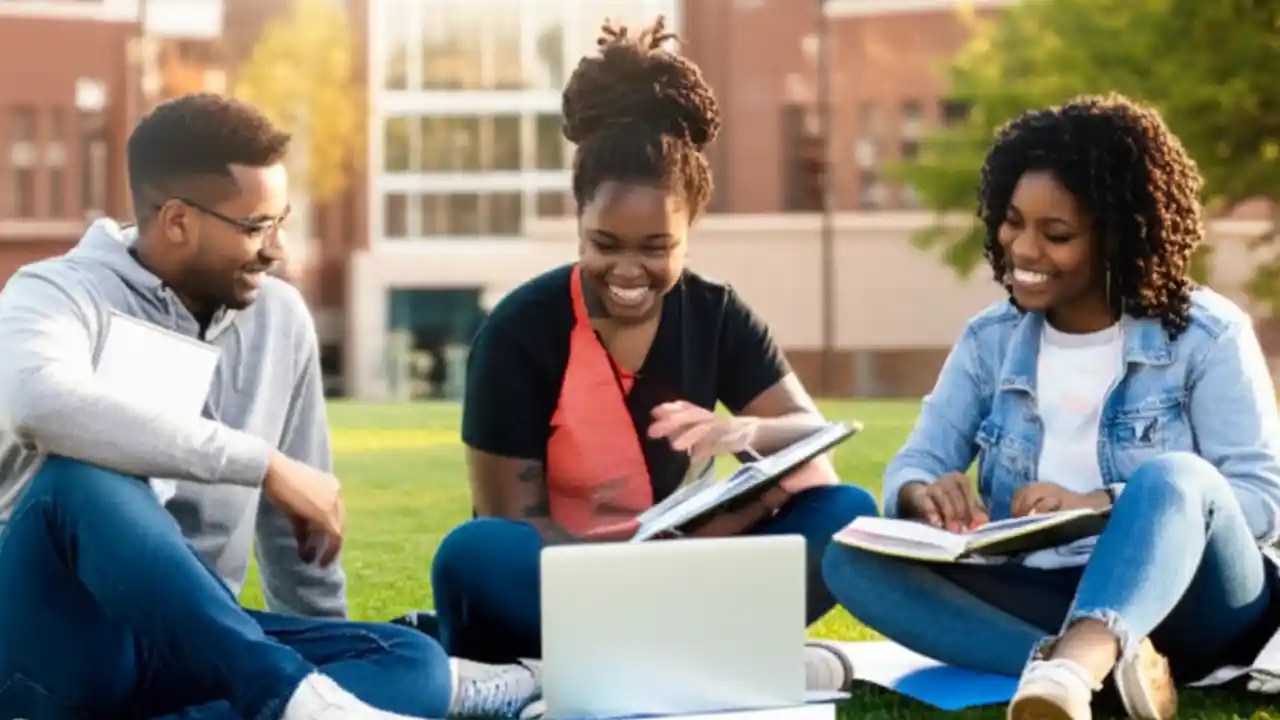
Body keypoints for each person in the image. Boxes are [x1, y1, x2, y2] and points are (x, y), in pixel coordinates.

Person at [0, 94, 533, 720]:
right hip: (51, 648)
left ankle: (303, 702)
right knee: (82, 478)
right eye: (256, 227)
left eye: (281, 221)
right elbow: (39, 403)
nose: (276, 249)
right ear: (177, 221)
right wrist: (263, 464)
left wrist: (330, 654)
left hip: (200, 653)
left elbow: (299, 540)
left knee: (408, 660)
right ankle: (289, 698)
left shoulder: (279, 318)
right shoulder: (54, 293)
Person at [422, 17, 877, 691]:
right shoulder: (520, 331)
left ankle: (590, 666)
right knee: (473, 557)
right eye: (605, 244)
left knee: (849, 516)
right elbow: (508, 523)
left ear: (689, 231)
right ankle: (712, 652)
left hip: (677, 569)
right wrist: (638, 575)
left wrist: (747, 433)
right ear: (578, 222)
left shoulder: (715, 315)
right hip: (565, 580)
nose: (628, 271)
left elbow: (814, 448)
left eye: (656, 248)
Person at [821, 93, 1280, 720]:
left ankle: (1077, 663)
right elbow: (917, 461)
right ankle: (1093, 676)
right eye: (1013, 222)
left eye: (1056, 234)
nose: (1023, 250)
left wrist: (1102, 506)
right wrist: (921, 494)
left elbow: (1261, 501)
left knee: (1175, 479)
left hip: (1197, 605)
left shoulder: (1206, 334)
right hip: (1048, 590)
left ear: (1117, 236)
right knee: (851, 560)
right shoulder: (990, 340)